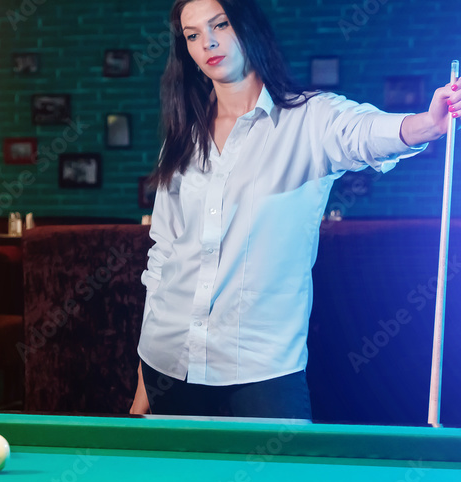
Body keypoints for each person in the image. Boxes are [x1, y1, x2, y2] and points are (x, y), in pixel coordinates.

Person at [130, 0, 461, 419]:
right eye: (193, 35)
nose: (207, 42)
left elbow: (364, 132)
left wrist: (428, 124)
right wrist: (143, 383)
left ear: (249, 28)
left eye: (221, 24)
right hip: (167, 366)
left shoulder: (310, 119)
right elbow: (162, 257)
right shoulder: (182, 137)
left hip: (261, 372)